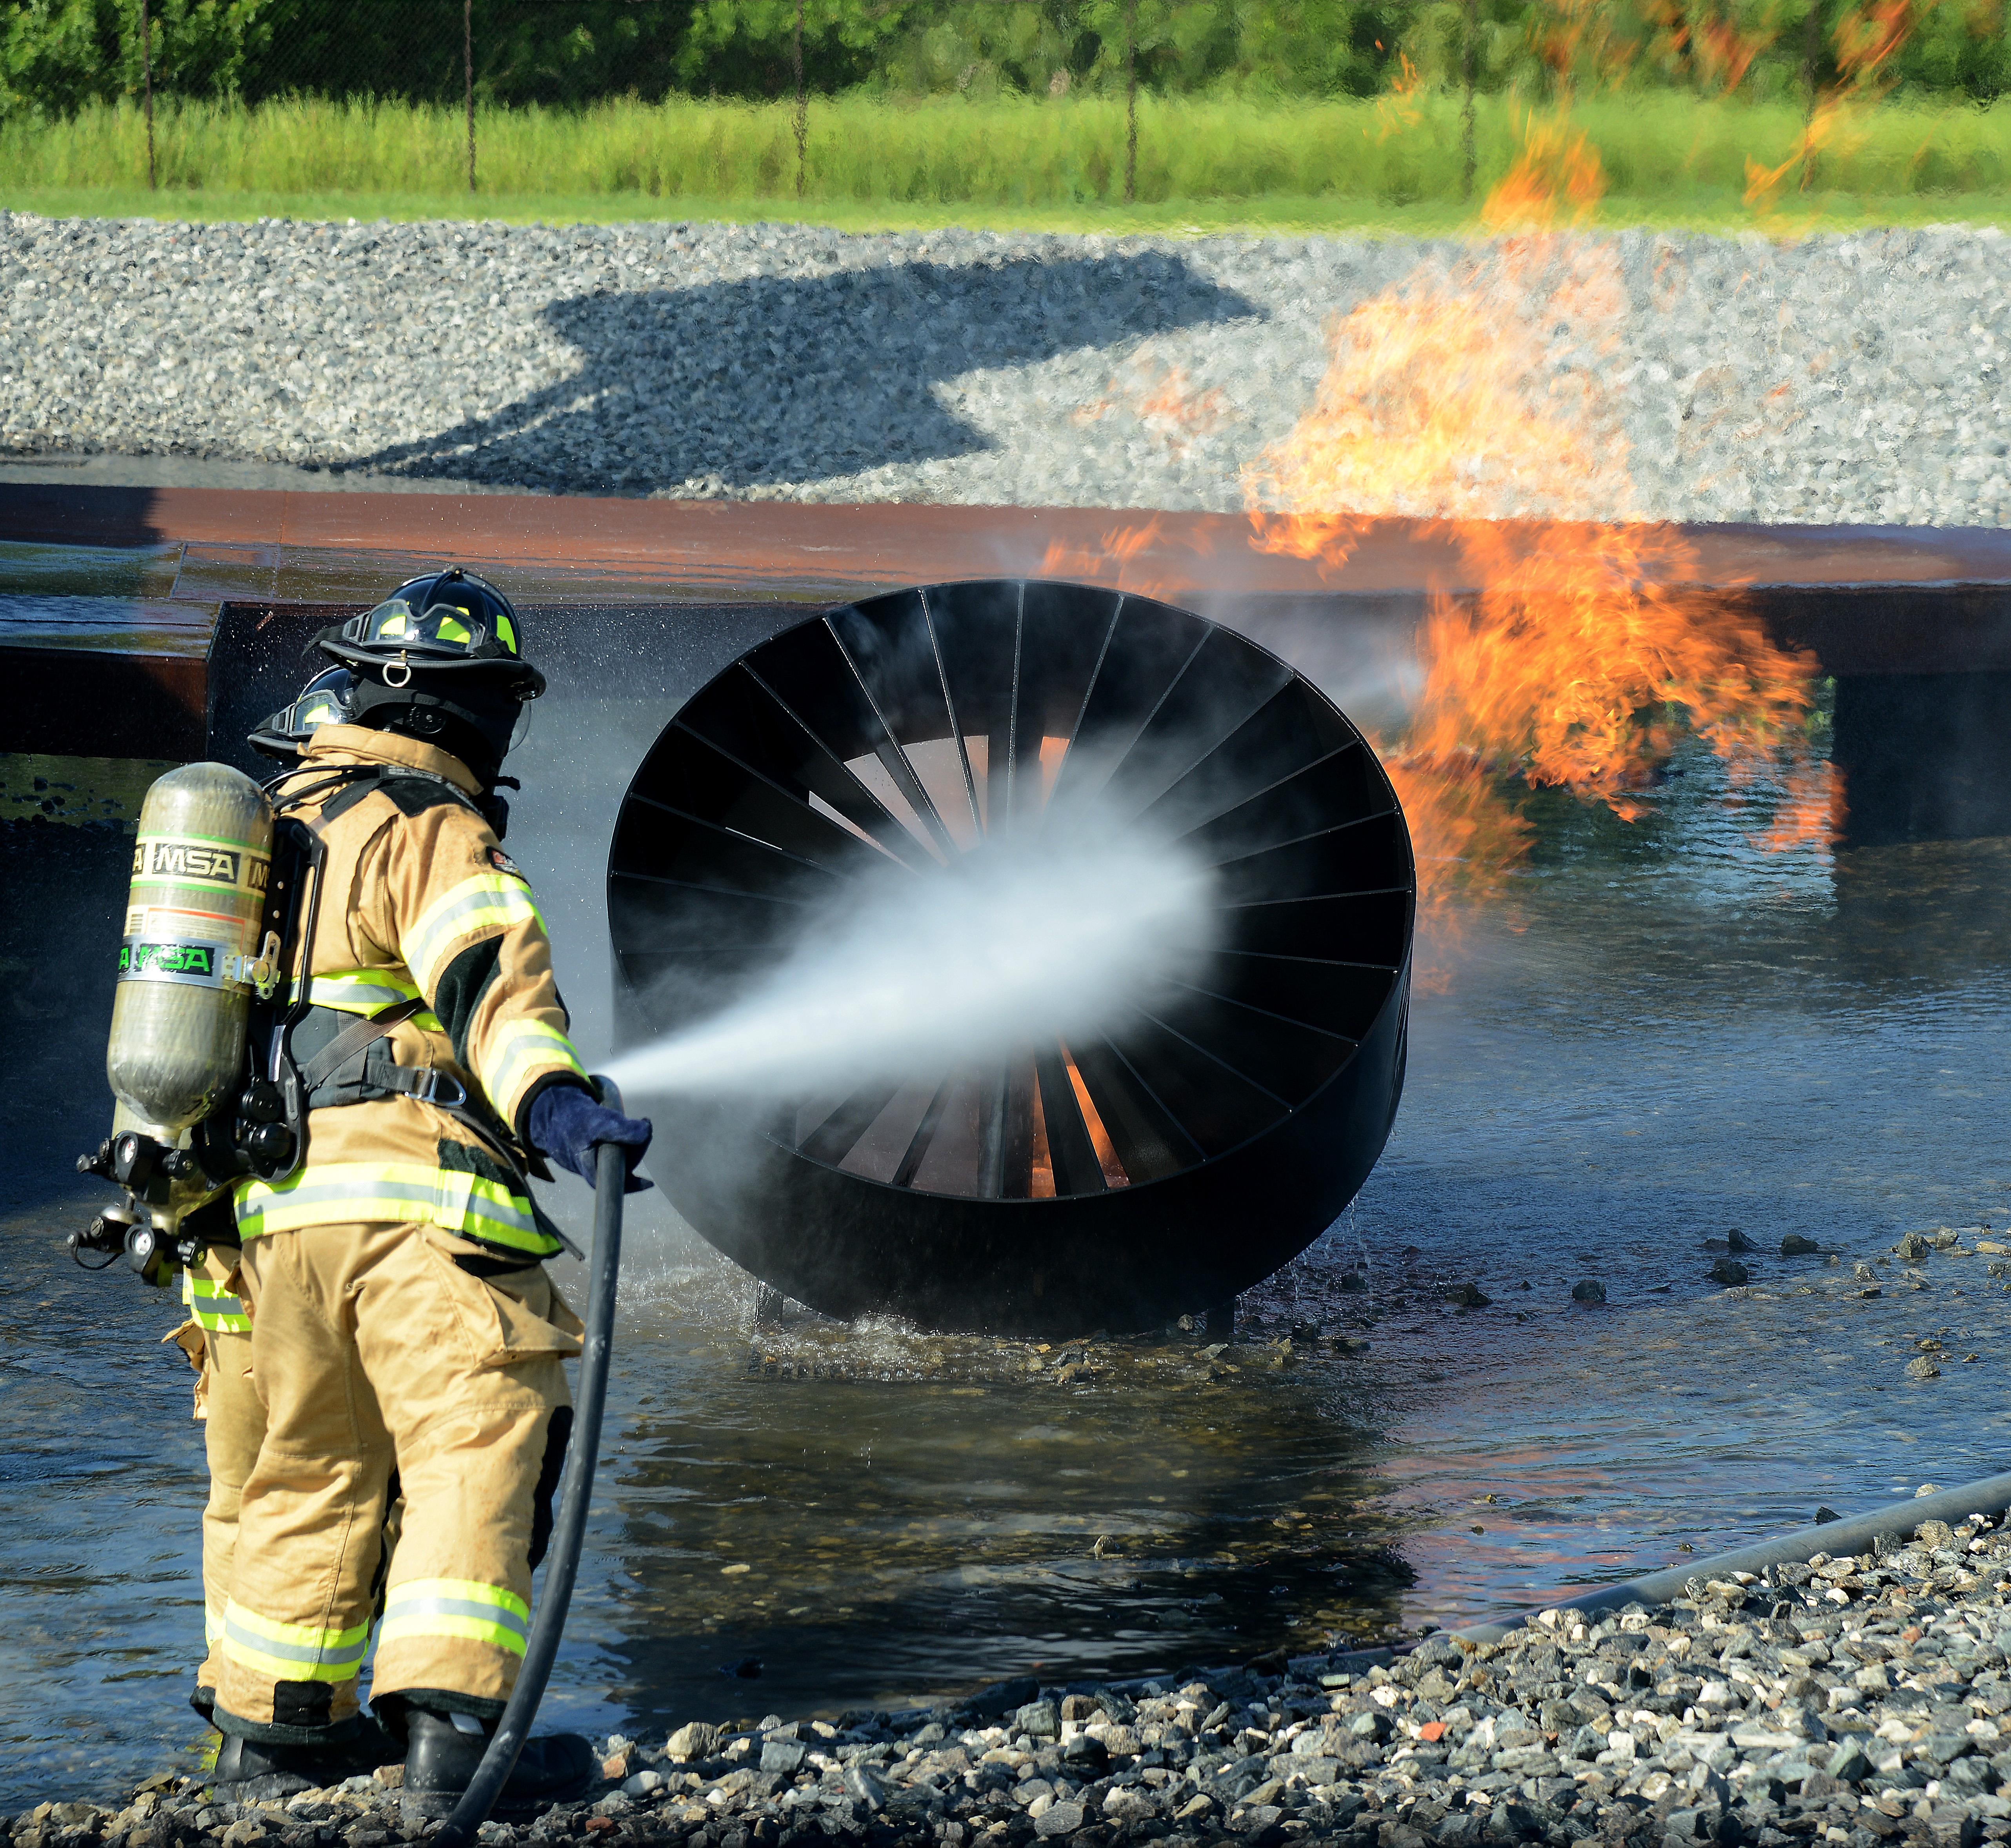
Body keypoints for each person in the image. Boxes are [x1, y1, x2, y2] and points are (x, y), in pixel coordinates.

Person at [204, 569, 652, 1814]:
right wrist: (557, 1106)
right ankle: (457, 1746)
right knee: (476, 1437)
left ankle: (278, 1740)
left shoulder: (273, 832)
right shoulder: (426, 823)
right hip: (413, 1208)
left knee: (313, 1464)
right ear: (461, 708)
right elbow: (489, 986)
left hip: (278, 1218)